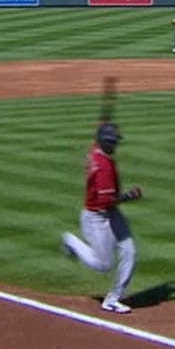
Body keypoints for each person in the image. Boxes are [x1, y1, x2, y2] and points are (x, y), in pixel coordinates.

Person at [61, 122, 140, 314]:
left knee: (129, 251)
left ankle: (112, 299)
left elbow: (94, 141)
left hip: (110, 214)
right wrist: (130, 196)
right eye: (112, 142)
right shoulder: (103, 167)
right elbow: (108, 201)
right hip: (97, 217)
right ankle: (70, 241)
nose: (115, 145)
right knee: (102, 264)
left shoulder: (95, 150)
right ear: (103, 142)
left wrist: (102, 129)